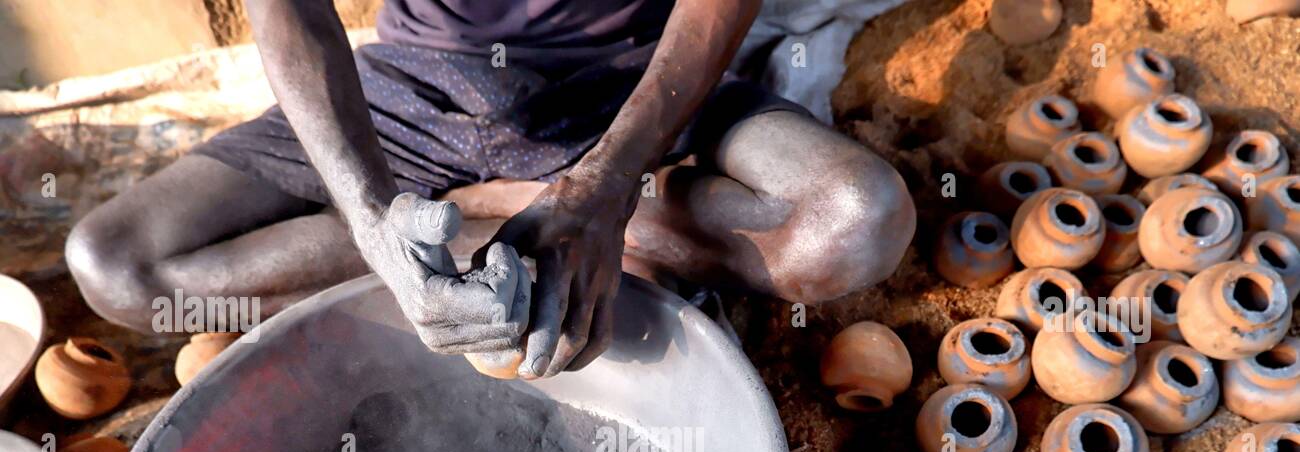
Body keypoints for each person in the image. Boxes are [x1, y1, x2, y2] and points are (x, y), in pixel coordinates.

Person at [66, 0, 915, 378]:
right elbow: (288, 8)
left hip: (625, 85)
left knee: (857, 220)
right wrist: (368, 218)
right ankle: (486, 207)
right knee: (113, 265)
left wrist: (609, 181)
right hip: (407, 90)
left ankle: (531, 206)